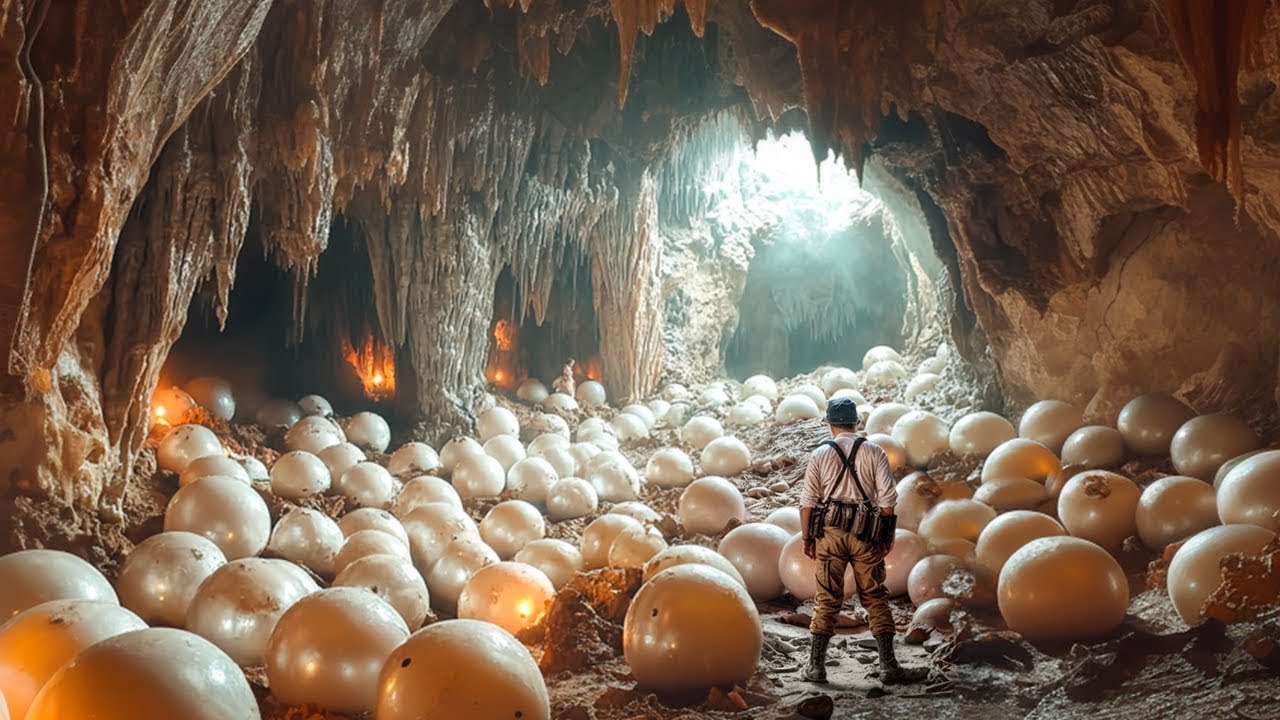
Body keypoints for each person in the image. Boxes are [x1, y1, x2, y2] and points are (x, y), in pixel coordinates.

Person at [798, 397, 925, 685]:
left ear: (830, 425)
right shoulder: (874, 451)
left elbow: (807, 502)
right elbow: (888, 502)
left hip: (829, 533)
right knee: (875, 596)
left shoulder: (820, 454)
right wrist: (886, 535)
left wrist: (807, 538)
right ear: (856, 423)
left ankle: (816, 667)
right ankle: (889, 666)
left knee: (827, 598)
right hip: (865, 533)